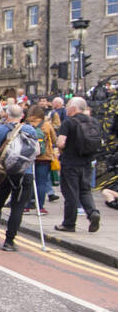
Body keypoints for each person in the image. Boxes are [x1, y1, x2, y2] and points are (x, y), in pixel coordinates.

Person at [0, 103, 39, 251]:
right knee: (18, 207)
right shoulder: (30, 130)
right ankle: (9, 241)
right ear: (22, 115)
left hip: (2, 173)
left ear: (6, 115)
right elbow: (36, 152)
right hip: (24, 174)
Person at [54, 96, 101, 233]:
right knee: (85, 190)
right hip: (87, 162)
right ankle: (92, 213)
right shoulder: (94, 122)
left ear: (73, 108)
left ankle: (69, 224)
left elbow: (61, 143)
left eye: (68, 106)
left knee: (71, 193)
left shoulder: (69, 123)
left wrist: (61, 147)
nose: (66, 109)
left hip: (70, 163)